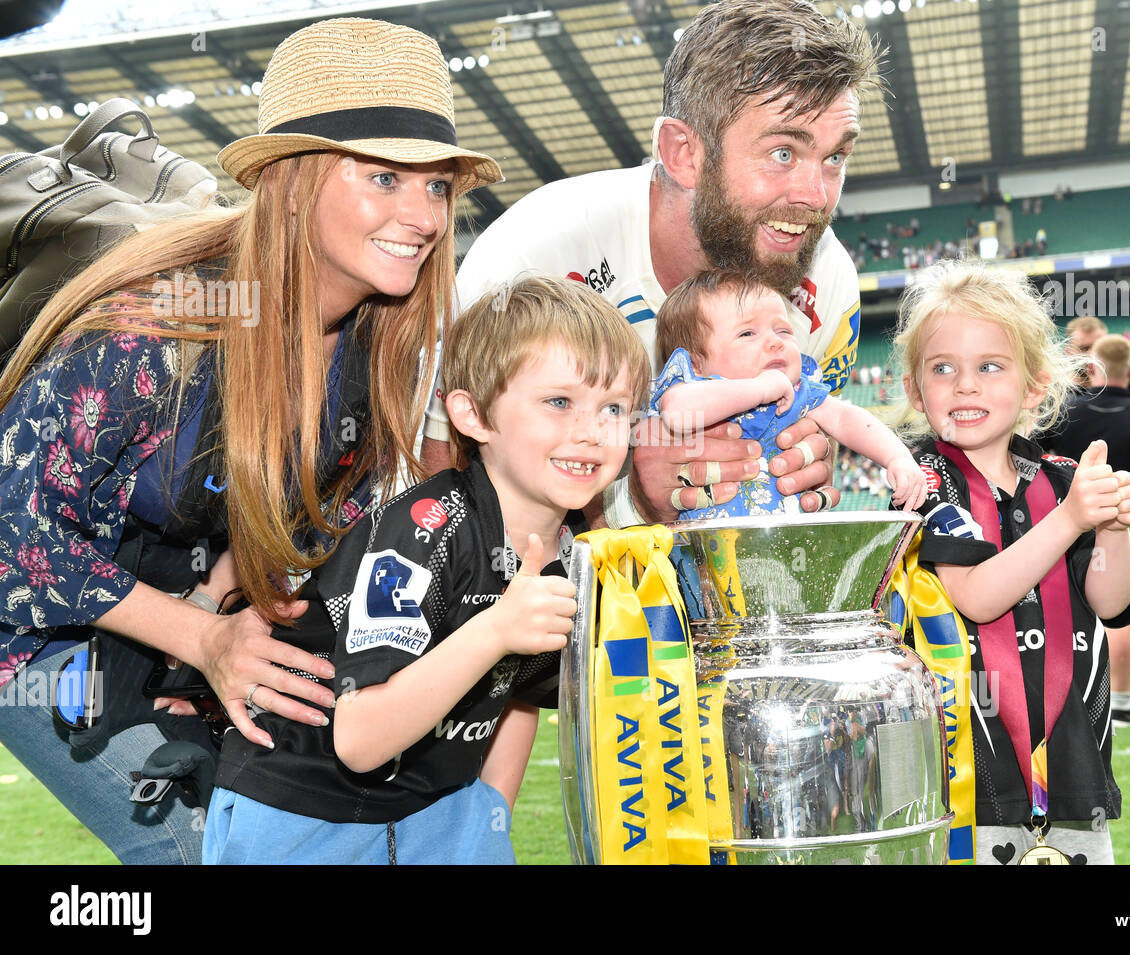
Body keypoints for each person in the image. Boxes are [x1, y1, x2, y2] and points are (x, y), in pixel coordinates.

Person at [0, 18, 502, 864]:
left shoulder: (380, 340)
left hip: (170, 613)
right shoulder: (158, 329)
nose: (421, 216)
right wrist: (201, 640)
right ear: (296, 182)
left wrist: (215, 621)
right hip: (35, 630)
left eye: (437, 187)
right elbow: (14, 535)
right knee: (204, 849)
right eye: (384, 177)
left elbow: (299, 510)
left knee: (287, 824)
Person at [205, 277, 647, 863]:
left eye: (614, 408)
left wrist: (489, 816)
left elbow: (515, 693)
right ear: (472, 415)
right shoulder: (424, 529)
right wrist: (495, 630)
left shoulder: (579, 551)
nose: (591, 431)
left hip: (439, 807)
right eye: (559, 402)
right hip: (304, 812)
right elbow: (359, 739)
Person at [424, 0, 880, 528]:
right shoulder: (537, 251)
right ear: (683, 152)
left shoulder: (829, 280)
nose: (816, 195)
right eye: (783, 152)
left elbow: (808, 446)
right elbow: (442, 478)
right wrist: (627, 501)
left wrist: (802, 467)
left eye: (835, 157)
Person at [893, 261, 1130, 865]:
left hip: (1071, 763)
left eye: (990, 366)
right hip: (961, 774)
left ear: (1034, 386)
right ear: (914, 389)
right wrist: (1073, 519)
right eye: (942, 368)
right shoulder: (921, 483)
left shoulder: (1064, 481)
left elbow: (1112, 605)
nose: (965, 385)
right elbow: (978, 596)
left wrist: (1109, 525)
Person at [649, 271, 924, 518]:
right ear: (696, 363)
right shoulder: (693, 389)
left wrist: (896, 457)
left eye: (783, 330)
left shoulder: (799, 390)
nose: (775, 342)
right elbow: (675, 413)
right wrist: (759, 389)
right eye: (747, 333)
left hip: (789, 547)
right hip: (707, 555)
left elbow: (845, 418)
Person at [1047, 334, 1130, 725]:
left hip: (1068, 517)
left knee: (1101, 615)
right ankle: (1121, 700)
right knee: (1125, 613)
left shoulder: (1063, 410)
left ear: (1090, 367)